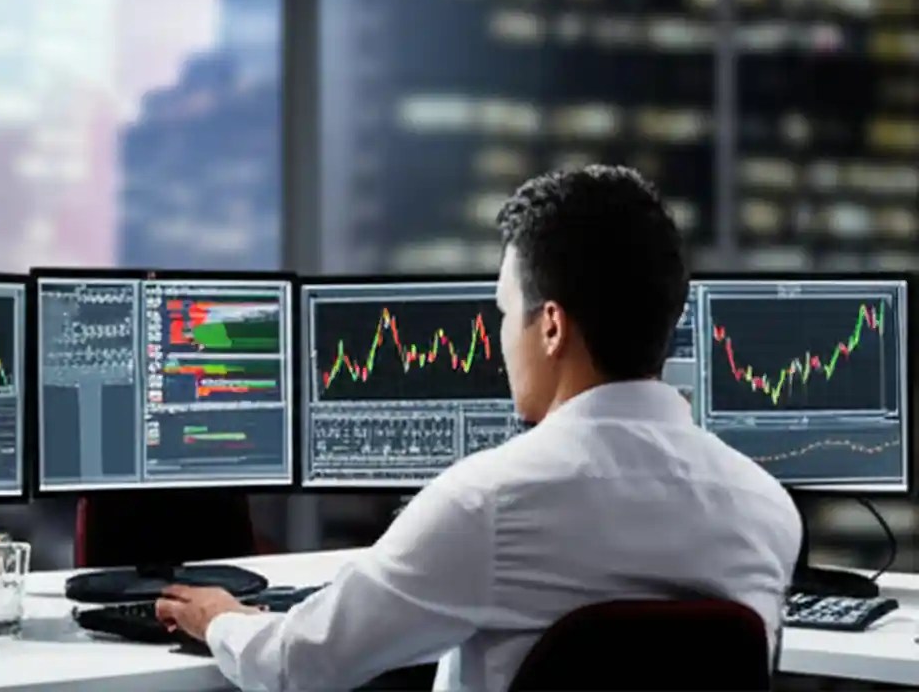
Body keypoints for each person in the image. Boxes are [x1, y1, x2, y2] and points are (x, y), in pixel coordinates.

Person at [156, 165, 802, 691]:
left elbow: (302, 664)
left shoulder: (489, 504)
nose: (498, 340)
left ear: (550, 326)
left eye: (502, 311)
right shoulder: (768, 512)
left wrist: (222, 621)